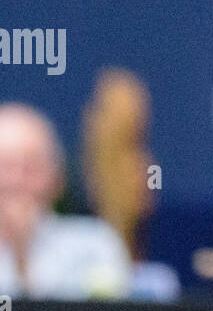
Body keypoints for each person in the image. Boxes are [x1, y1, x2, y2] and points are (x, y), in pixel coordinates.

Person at [0, 103, 131, 299]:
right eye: (6, 165)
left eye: (31, 166)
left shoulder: (94, 244)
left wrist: (22, 256)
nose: (17, 181)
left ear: (57, 177)